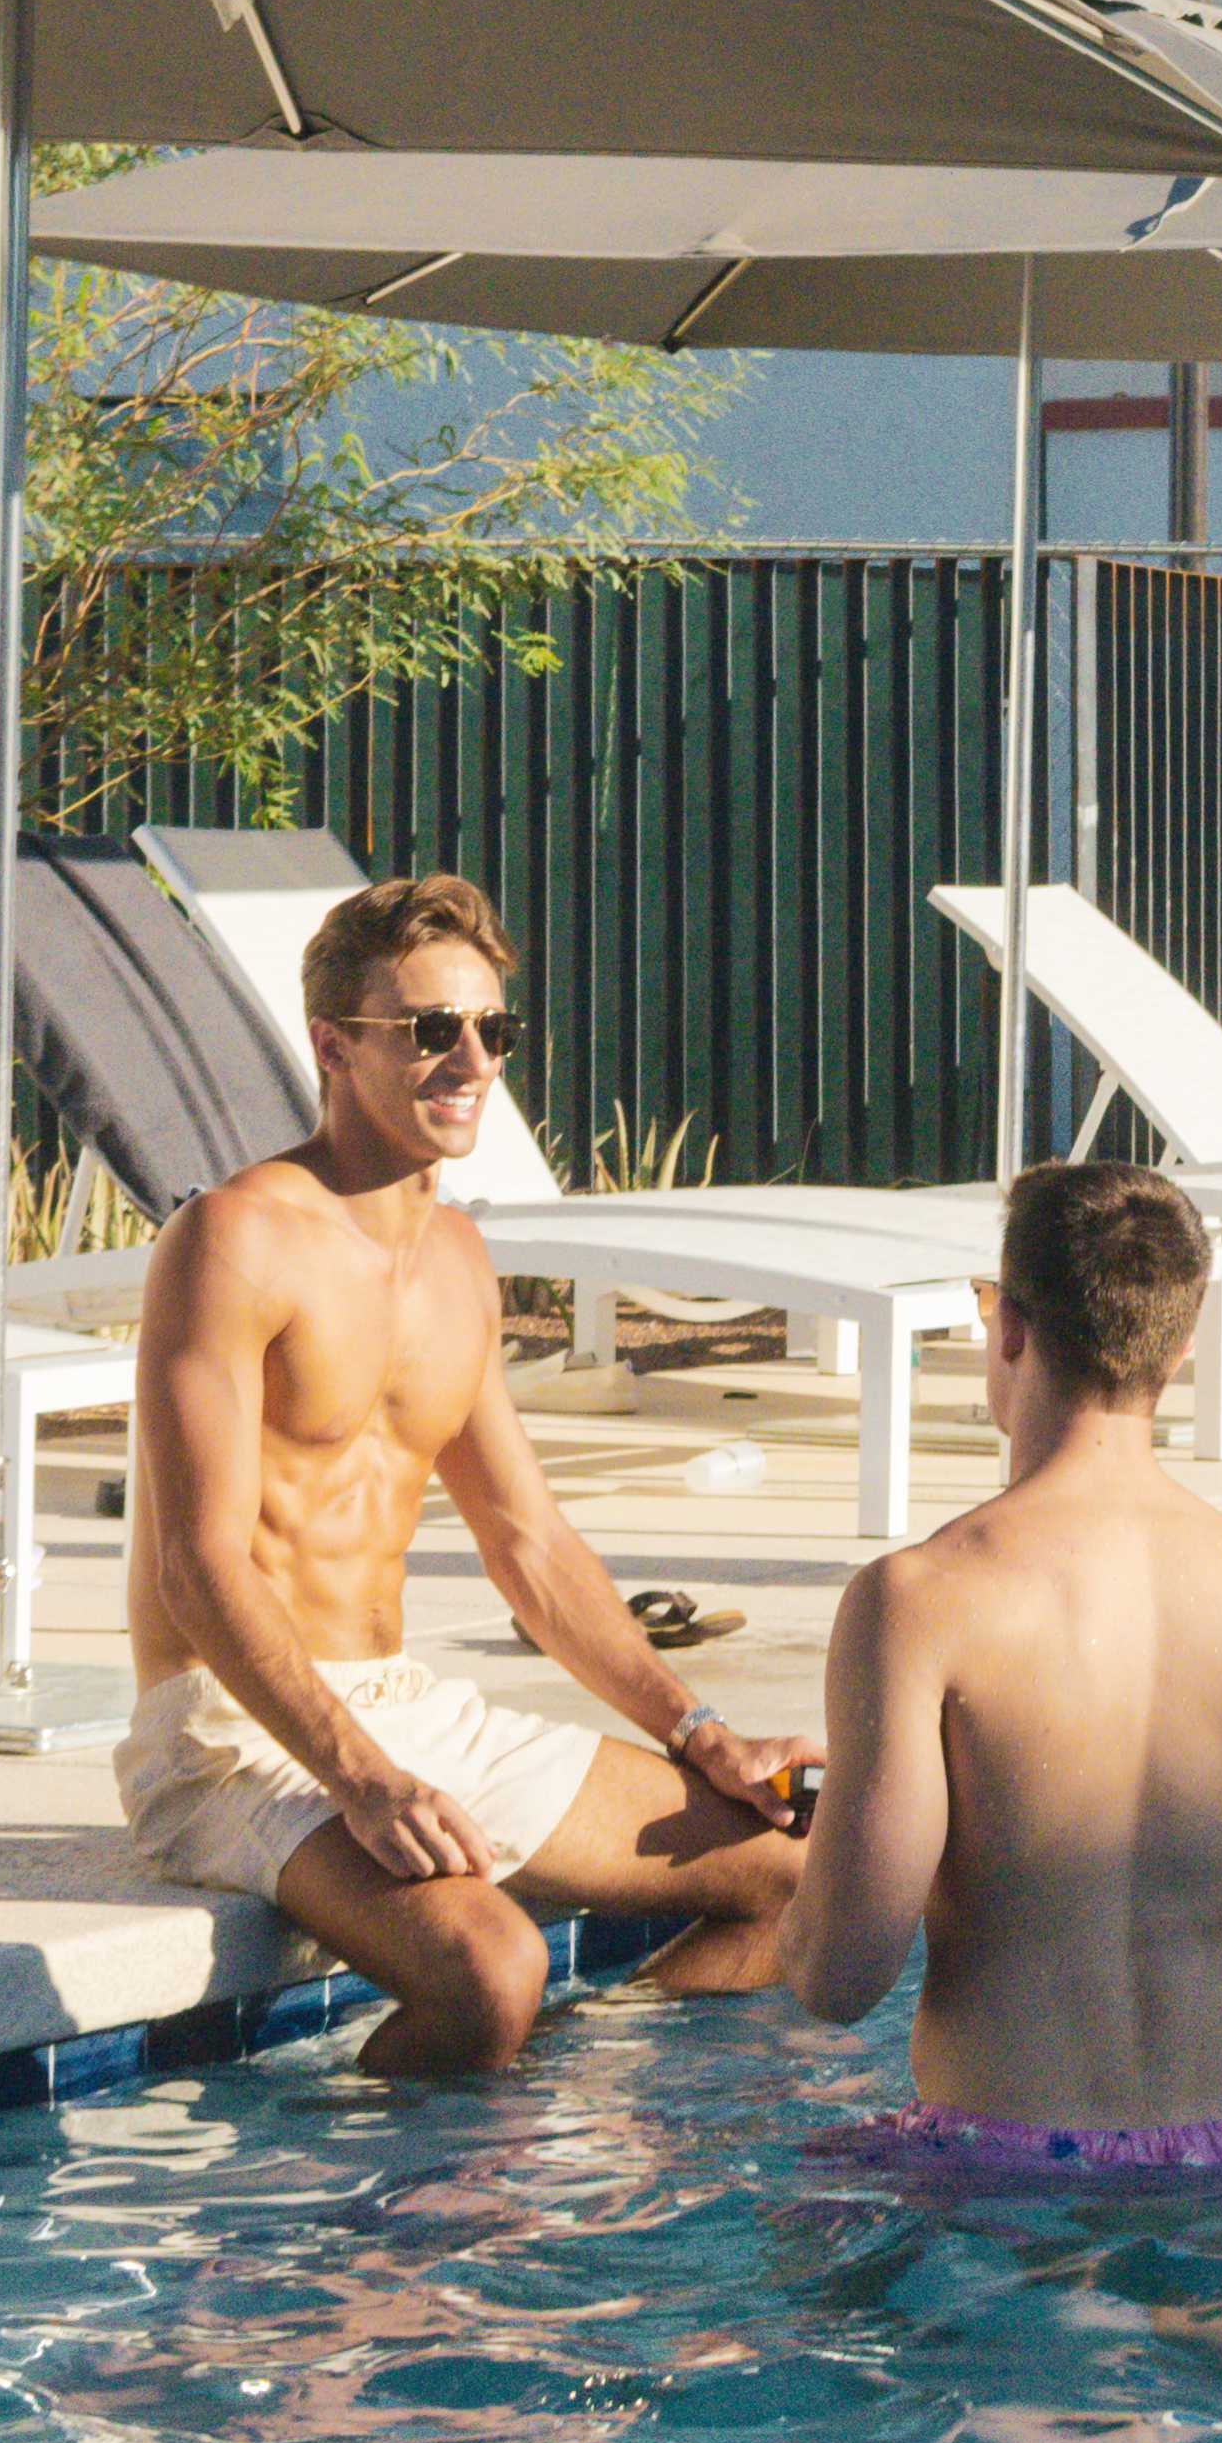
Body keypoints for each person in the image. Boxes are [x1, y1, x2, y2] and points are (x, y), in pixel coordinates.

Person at [125, 870, 816, 2082]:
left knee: (804, 1875)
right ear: (332, 1047)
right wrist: (363, 1776)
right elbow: (198, 1565)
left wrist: (695, 1729)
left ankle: (580, 2123)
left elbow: (531, 1547)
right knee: (492, 1971)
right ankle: (335, 2229)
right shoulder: (235, 1237)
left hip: (399, 1706)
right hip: (234, 1732)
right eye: (429, 1031)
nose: (470, 1061)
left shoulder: (454, 1256)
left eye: (491, 1030)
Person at [781, 1156, 1222, 2179]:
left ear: (1004, 1326)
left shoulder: (920, 1602)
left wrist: (808, 1859)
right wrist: (1198, 2003)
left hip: (1000, 2165)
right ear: (1178, 1344)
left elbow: (840, 1974)